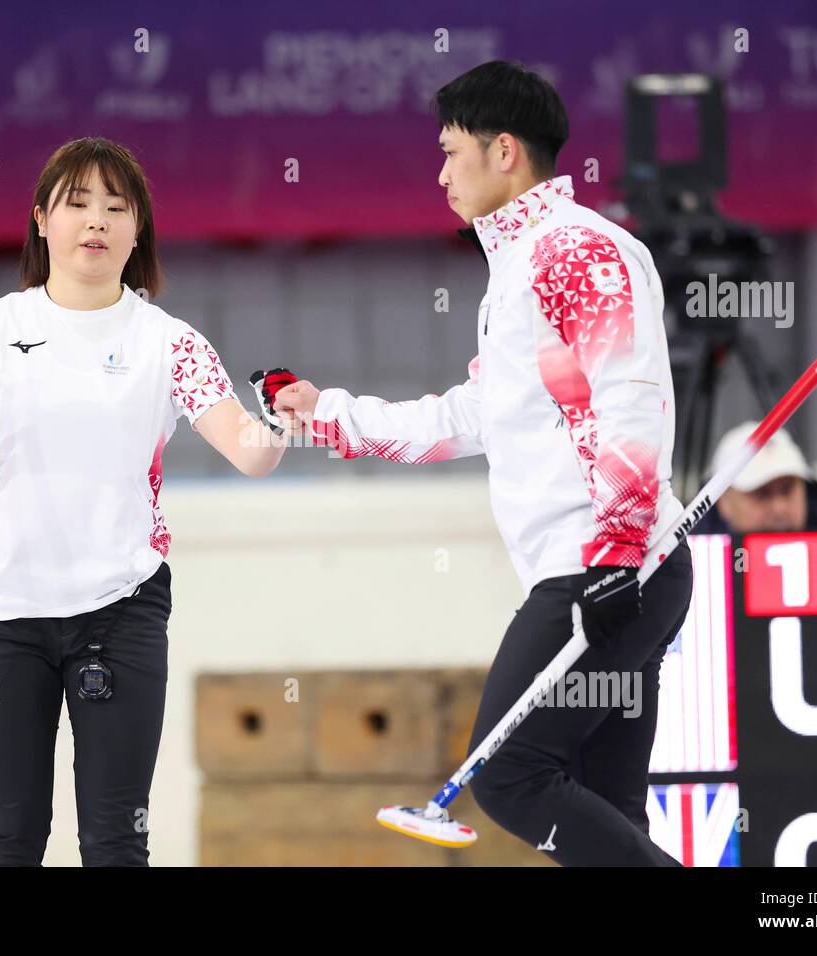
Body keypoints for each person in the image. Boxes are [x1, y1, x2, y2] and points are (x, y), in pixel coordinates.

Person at [272, 61, 693, 865]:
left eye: (450, 152)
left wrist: (617, 551)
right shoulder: (516, 267)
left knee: (509, 776)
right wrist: (328, 414)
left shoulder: (575, 250)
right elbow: (469, 418)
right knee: (606, 814)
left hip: (608, 568)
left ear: (504, 152)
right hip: (603, 569)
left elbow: (630, 396)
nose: (439, 174)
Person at [0, 137, 288, 866]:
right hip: (2, 616)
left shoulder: (168, 342)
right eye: (77, 204)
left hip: (121, 605)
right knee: (8, 840)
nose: (96, 221)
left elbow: (249, 450)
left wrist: (285, 418)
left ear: (138, 231)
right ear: (41, 220)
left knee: (114, 842)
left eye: (116, 206)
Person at [694, 421, 817, 534]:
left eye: (788, 490)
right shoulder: (689, 562)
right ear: (723, 502)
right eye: (762, 494)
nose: (780, 508)